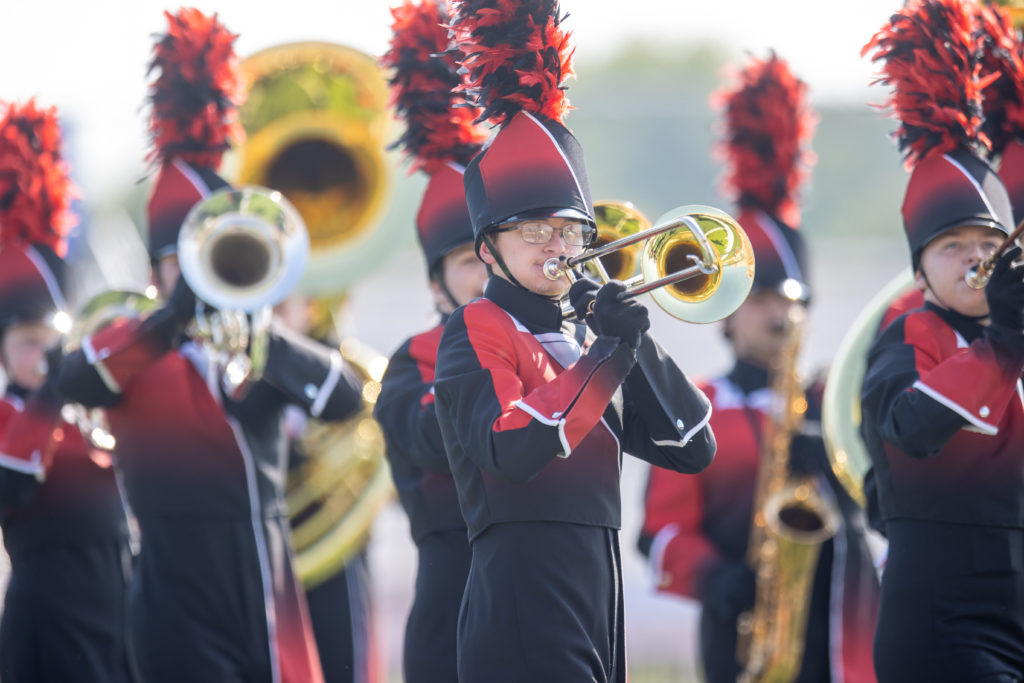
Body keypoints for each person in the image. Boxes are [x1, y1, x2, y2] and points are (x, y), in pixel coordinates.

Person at [53, 9, 366, 682]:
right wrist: (170, 319)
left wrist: (268, 339)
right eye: (180, 262)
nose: (198, 276)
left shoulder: (263, 342)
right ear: (158, 270)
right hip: (175, 609)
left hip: (272, 600)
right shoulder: (133, 347)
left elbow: (343, 399)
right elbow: (73, 381)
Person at [433, 3, 716, 681]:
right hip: (522, 595)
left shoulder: (588, 334)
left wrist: (633, 339)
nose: (556, 245)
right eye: (532, 229)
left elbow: (692, 443)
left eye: (569, 230)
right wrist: (607, 355)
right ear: (488, 247)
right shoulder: (474, 328)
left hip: (599, 589)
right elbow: (513, 445)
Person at [637, 52, 880, 683]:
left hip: (838, 623)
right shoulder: (696, 402)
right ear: (726, 315)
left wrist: (830, 461)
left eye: (789, 302)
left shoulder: (835, 402)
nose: (777, 316)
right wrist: (716, 578)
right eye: (761, 301)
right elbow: (659, 531)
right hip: (741, 631)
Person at [860, 1, 1024, 680]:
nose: (974, 260)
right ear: (919, 266)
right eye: (953, 246)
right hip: (943, 623)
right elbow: (909, 428)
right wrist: (1004, 345)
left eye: (989, 244)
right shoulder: (907, 332)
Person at [374, 2, 489, 680]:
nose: (484, 275)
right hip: (452, 609)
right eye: (466, 262)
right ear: (437, 280)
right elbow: (432, 440)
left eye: (490, 254)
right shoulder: (406, 364)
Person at [0, 100, 132, 682]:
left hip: (120, 603)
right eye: (26, 342)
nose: (42, 354)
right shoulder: (11, 413)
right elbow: (17, 481)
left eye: (49, 338)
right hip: (47, 613)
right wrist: (55, 392)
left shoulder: (87, 405)